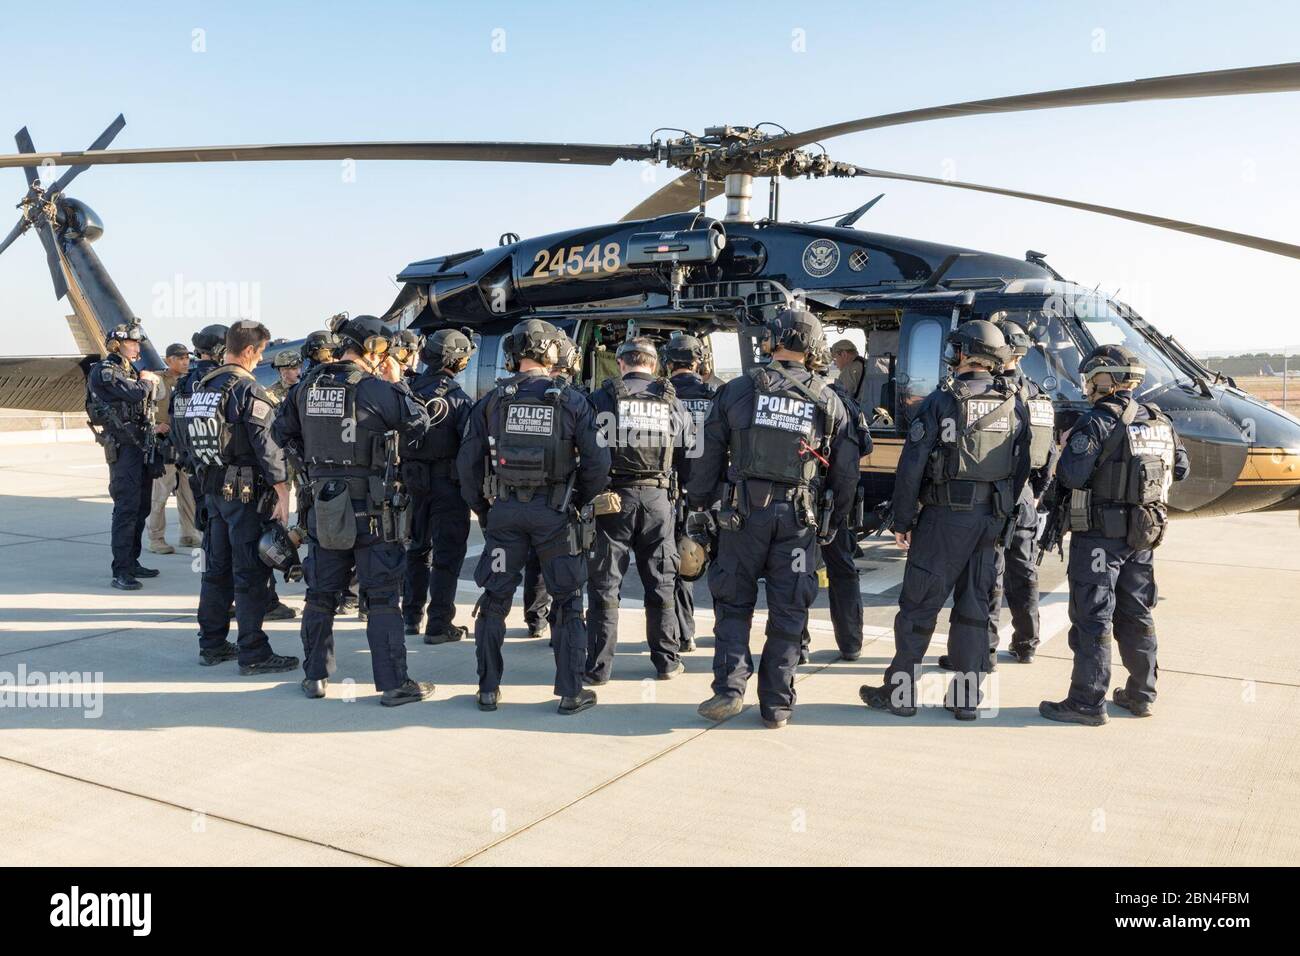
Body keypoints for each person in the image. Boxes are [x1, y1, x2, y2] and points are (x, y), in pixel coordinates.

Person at [687, 308, 859, 729]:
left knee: (732, 604)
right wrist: (833, 520)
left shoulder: (737, 390)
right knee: (789, 612)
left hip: (741, 516)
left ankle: (728, 689)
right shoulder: (830, 399)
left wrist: (698, 508)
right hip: (799, 520)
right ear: (816, 347)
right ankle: (777, 705)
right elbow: (847, 471)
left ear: (771, 340)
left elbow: (707, 456)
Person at [859, 320, 1029, 720]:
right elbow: (1024, 466)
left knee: (919, 606)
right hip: (991, 520)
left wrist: (902, 519)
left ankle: (900, 695)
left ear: (966, 354)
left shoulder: (939, 402)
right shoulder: (1014, 402)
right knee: (974, 610)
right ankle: (967, 700)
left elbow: (911, 465)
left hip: (944, 518)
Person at [273, 315, 433, 704]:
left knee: (321, 594)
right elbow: (419, 421)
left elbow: (282, 433)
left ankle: (314, 677)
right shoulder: (376, 389)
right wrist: (398, 382)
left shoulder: (306, 385)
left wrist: (312, 468)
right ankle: (394, 684)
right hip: (372, 510)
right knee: (380, 597)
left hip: (323, 505)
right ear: (375, 348)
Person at [457, 319, 611, 715]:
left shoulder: (492, 401)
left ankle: (488, 689)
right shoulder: (573, 400)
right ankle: (571, 692)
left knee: (494, 601)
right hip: (555, 513)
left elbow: (468, 464)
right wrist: (579, 501)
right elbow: (597, 463)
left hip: (505, 512)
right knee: (568, 602)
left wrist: (484, 510)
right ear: (550, 353)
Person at [1040, 344, 1189, 726]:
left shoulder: (1098, 421)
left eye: (1090, 378)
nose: (1086, 385)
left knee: (1093, 617)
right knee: (1137, 612)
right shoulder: (1159, 420)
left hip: (1100, 538)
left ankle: (1087, 701)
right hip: (1143, 535)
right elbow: (1182, 468)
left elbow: (1071, 475)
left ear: (1105, 378)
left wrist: (1064, 447)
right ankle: (1141, 693)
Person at [184, 320, 299, 674]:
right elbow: (266, 446)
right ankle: (254, 653)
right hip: (246, 494)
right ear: (248, 351)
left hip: (213, 489)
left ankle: (213, 643)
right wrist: (282, 490)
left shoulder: (203, 386)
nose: (259, 358)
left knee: (215, 570)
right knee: (249, 573)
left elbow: (183, 438)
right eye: (261, 351)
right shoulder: (246, 389)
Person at [584, 337, 693, 684]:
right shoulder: (671, 400)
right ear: (654, 365)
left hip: (612, 500)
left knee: (605, 584)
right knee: (661, 581)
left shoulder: (602, 397)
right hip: (659, 499)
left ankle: (599, 669)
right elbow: (690, 450)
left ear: (621, 364)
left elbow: (586, 452)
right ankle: (666, 661)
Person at [402, 329, 475, 643]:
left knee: (416, 550)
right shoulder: (460, 399)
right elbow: (470, 449)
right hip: (448, 485)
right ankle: (439, 623)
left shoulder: (407, 391)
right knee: (447, 554)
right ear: (456, 360)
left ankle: (410, 617)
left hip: (410, 482)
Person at [806, 340, 872, 662]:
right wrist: (838, 518)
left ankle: (797, 643)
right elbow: (849, 467)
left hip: (798, 504)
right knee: (843, 571)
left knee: (793, 572)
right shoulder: (840, 402)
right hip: (831, 505)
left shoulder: (784, 396)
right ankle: (851, 643)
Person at [86, 323, 164, 590]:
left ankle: (132, 561)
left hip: (139, 444)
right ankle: (120, 570)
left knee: (142, 506)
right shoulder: (106, 371)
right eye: (133, 343)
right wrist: (146, 380)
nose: (137, 347)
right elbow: (133, 392)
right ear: (117, 344)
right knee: (126, 508)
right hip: (123, 447)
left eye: (138, 343)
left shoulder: (129, 371)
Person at [521, 333, 585, 642]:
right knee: (562, 563)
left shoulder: (515, 394)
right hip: (560, 494)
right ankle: (562, 625)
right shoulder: (571, 398)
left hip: (521, 493)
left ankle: (536, 619)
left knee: (534, 561)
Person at [664, 332, 716, 653]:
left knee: (680, 562)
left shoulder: (663, 397)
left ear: (668, 363)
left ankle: (684, 633)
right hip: (714, 493)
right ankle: (726, 630)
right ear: (699, 362)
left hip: (675, 491)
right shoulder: (717, 395)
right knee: (725, 566)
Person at [145, 342, 199, 555]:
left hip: (186, 445)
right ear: (168, 360)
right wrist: (154, 427)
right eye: (180, 358)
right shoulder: (157, 380)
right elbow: (143, 408)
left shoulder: (191, 381)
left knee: (189, 491)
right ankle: (156, 538)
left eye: (187, 357)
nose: (185, 361)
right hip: (164, 443)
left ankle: (189, 533)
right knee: (161, 493)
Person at [830, 338, 868, 408]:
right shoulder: (866, 363)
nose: (835, 364)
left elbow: (840, 402)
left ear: (844, 354)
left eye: (835, 359)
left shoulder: (848, 371)